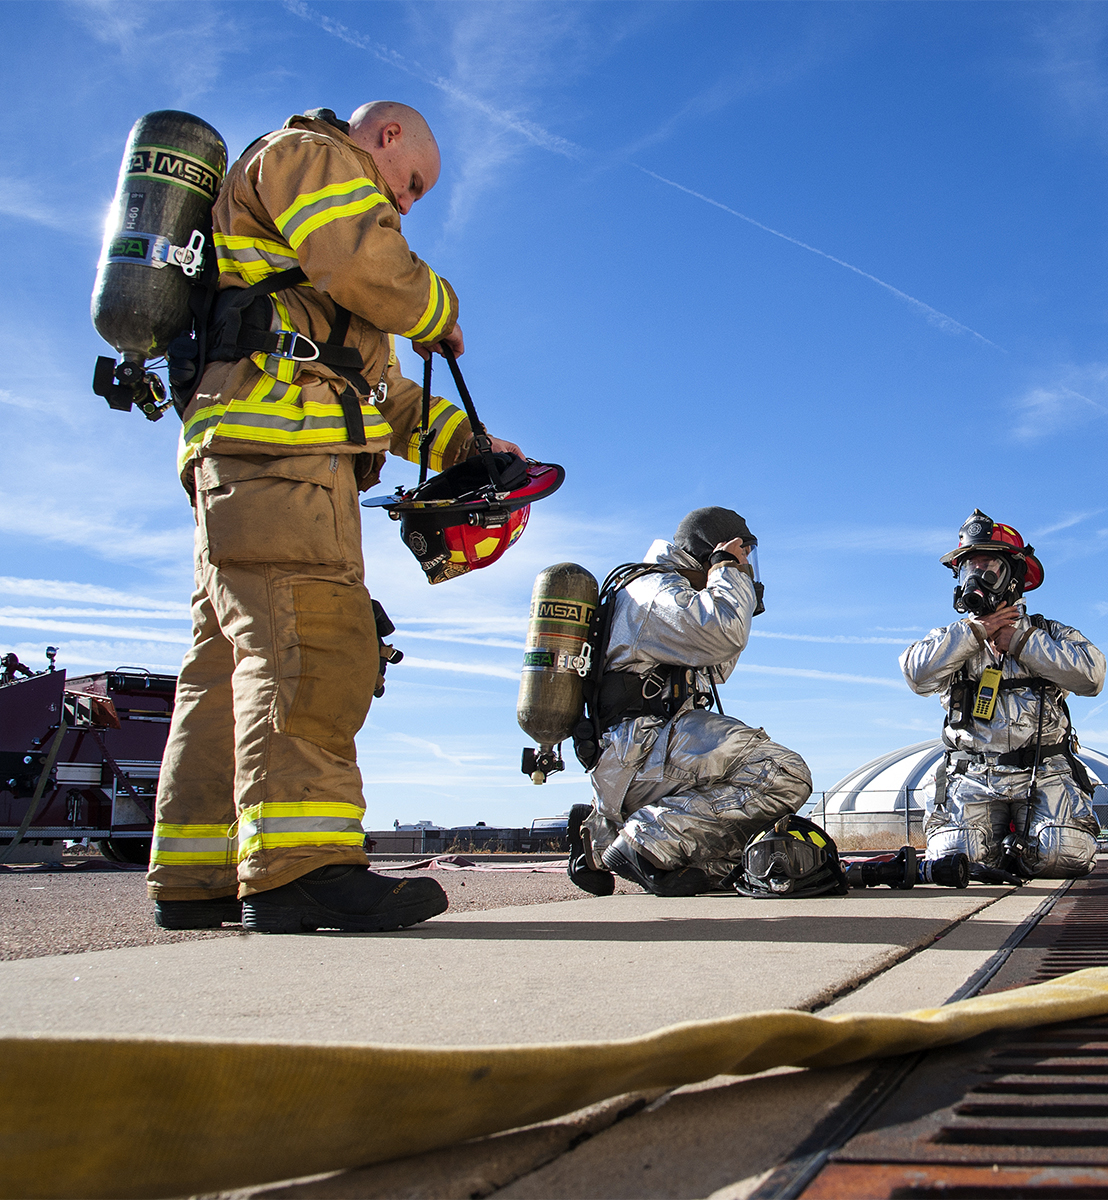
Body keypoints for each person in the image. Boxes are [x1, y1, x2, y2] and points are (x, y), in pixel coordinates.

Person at [147, 102, 523, 933]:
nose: (409, 204)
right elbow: (370, 264)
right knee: (313, 645)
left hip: (249, 461)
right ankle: (304, 871)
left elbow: (375, 393)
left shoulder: (308, 283)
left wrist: (470, 443)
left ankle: (199, 875)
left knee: (223, 672)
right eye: (414, 183)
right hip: (281, 462)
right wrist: (439, 307)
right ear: (385, 137)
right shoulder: (314, 158)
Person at [566, 507, 814, 897]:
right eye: (742, 552)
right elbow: (720, 636)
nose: (747, 563)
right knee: (783, 773)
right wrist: (729, 577)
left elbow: (712, 669)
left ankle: (601, 837)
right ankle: (647, 842)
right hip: (642, 750)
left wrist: (737, 597)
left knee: (730, 855)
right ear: (712, 551)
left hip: (645, 755)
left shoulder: (678, 593)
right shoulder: (655, 591)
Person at [902, 510, 1107, 880]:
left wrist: (1022, 642)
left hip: (1044, 771)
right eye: (968, 569)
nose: (976, 579)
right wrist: (973, 635)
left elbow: (1091, 677)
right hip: (972, 774)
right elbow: (917, 675)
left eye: (988, 568)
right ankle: (999, 850)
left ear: (1012, 576)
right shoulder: (951, 638)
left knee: (1063, 856)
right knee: (959, 860)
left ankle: (1028, 846)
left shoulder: (1049, 634)